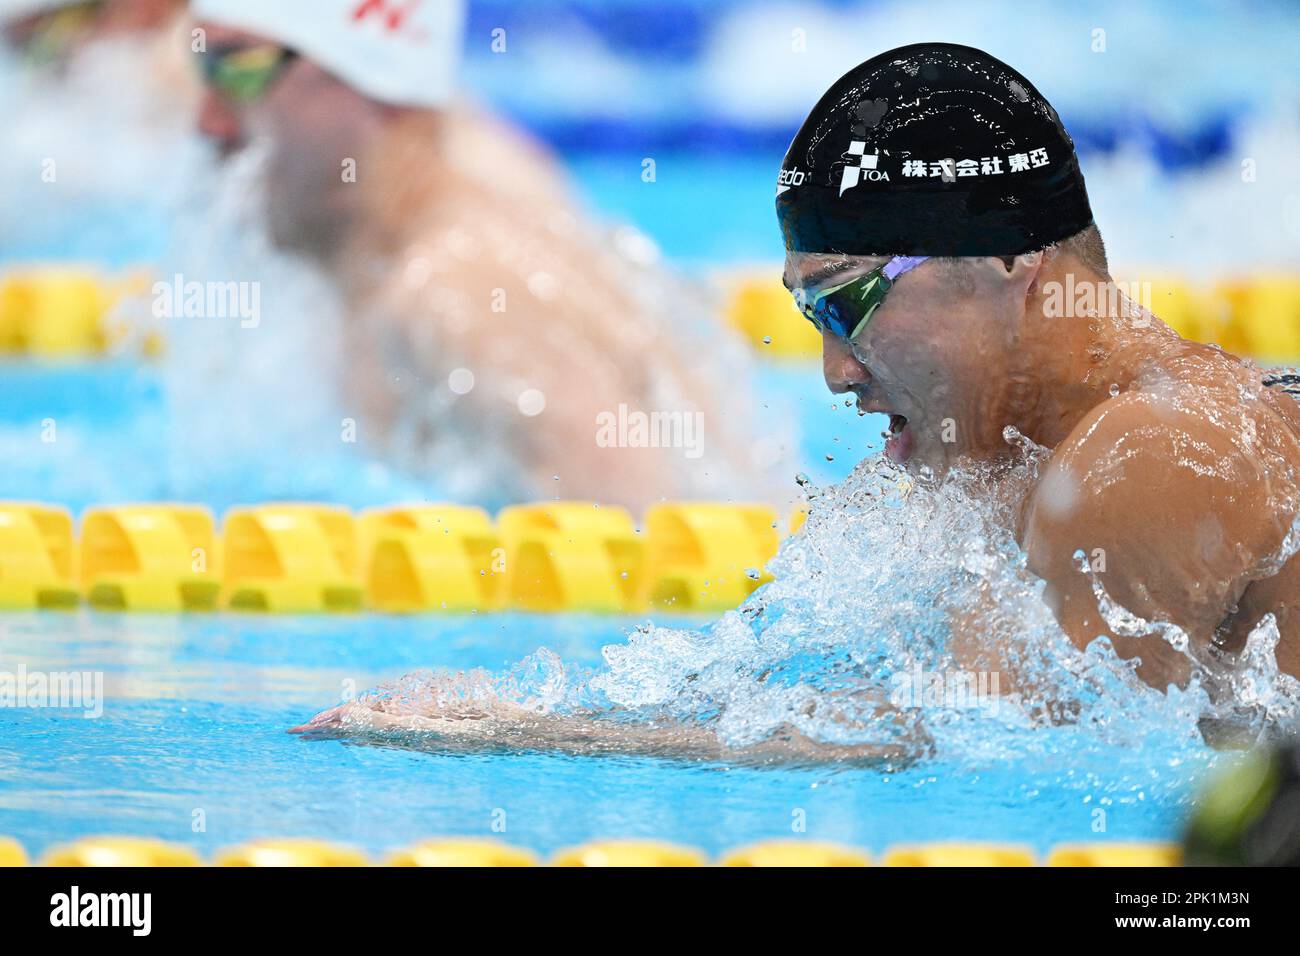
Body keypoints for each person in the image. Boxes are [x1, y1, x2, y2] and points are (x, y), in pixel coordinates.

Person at [295, 43, 1300, 761]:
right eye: (809, 315)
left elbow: (967, 751)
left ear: (1008, 257)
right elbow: (905, 705)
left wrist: (520, 730)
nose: (835, 372)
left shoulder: (1150, 452)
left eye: (847, 300)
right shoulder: (1034, 453)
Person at [188, 0, 785, 510]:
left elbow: (649, 562)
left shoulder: (456, 295)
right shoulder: (385, 247)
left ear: (377, 76)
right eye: (199, 68)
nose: (208, 122)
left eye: (238, 69)